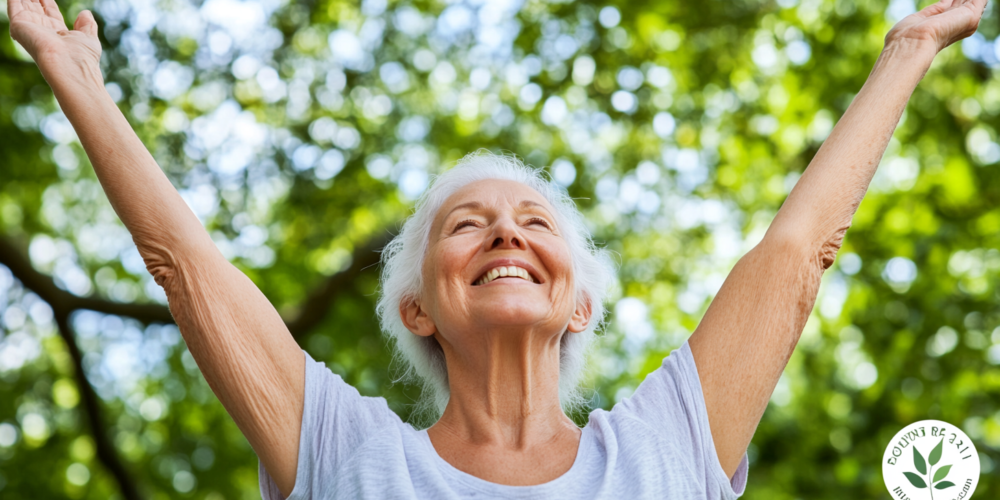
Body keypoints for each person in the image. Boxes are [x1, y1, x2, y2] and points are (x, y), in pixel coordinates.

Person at [7, 0, 987, 497]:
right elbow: (185, 266)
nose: (507, 230)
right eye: (466, 223)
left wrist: (907, 49)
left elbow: (796, 252)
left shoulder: (666, 445)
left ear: (579, 303)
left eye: (533, 220)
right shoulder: (349, 457)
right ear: (417, 307)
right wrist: (75, 76)